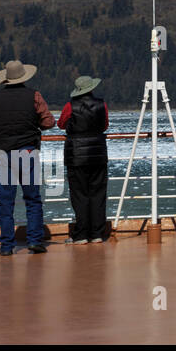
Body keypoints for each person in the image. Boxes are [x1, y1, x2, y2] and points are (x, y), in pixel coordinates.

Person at [0, 60, 54, 256]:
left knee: (5, 201)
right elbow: (49, 121)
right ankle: (35, 241)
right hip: (27, 152)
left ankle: (7, 246)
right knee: (33, 199)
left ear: (6, 79)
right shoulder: (34, 95)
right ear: (24, 76)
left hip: (2, 153)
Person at [58, 75, 110, 245]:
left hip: (76, 155)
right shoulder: (102, 104)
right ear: (91, 88)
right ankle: (97, 233)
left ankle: (80, 234)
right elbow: (105, 125)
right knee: (98, 193)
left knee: (79, 194)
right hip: (98, 153)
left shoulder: (69, 106)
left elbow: (61, 123)